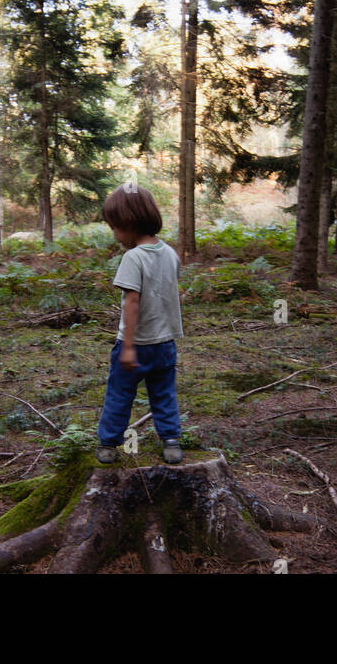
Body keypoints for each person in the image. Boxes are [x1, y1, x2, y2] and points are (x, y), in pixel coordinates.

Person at [96, 181, 184, 464]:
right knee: (163, 393)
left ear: (129, 222)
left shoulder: (132, 258)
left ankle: (109, 443)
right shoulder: (170, 253)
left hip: (136, 344)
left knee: (120, 393)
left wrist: (129, 346)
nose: (114, 233)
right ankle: (171, 441)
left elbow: (132, 303)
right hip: (165, 343)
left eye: (115, 226)